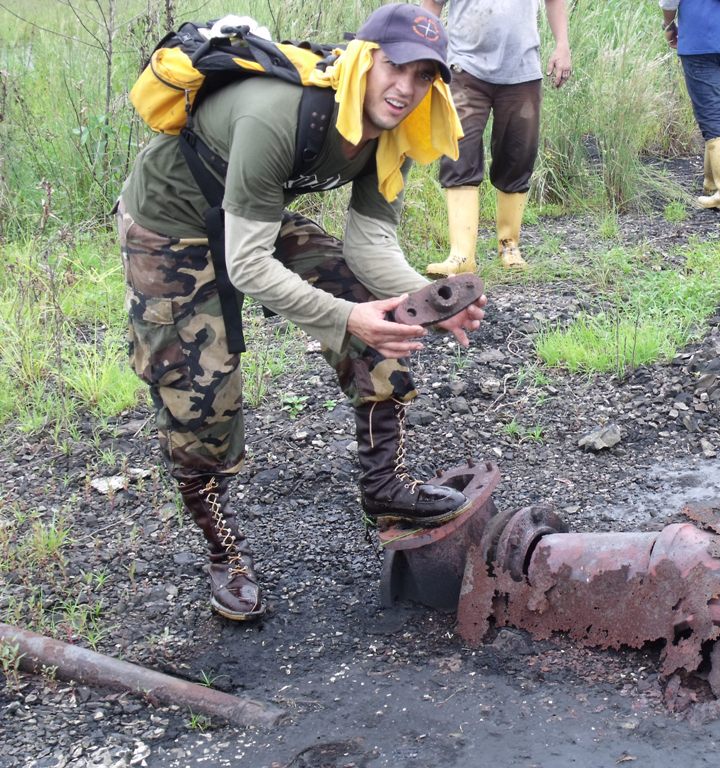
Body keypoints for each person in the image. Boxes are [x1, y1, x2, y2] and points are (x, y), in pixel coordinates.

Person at [116, 4, 487, 622]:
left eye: (425, 77)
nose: (405, 88)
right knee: (201, 399)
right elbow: (250, 266)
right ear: (367, 59)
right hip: (170, 225)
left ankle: (384, 488)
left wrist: (428, 300)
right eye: (395, 67)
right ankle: (222, 555)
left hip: (250, 216)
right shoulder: (279, 115)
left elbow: (371, 247)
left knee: (385, 319)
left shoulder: (390, 130)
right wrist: (345, 318)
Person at [420, 0, 572, 275]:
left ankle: (509, 245)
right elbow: (431, 4)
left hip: (521, 71)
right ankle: (461, 254)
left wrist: (562, 45)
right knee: (458, 151)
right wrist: (426, 51)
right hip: (463, 69)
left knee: (518, 154)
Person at [660, 0, 720, 212]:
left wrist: (669, 25)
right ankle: (712, 183)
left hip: (699, 40)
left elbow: (669, 1)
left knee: (713, 117)